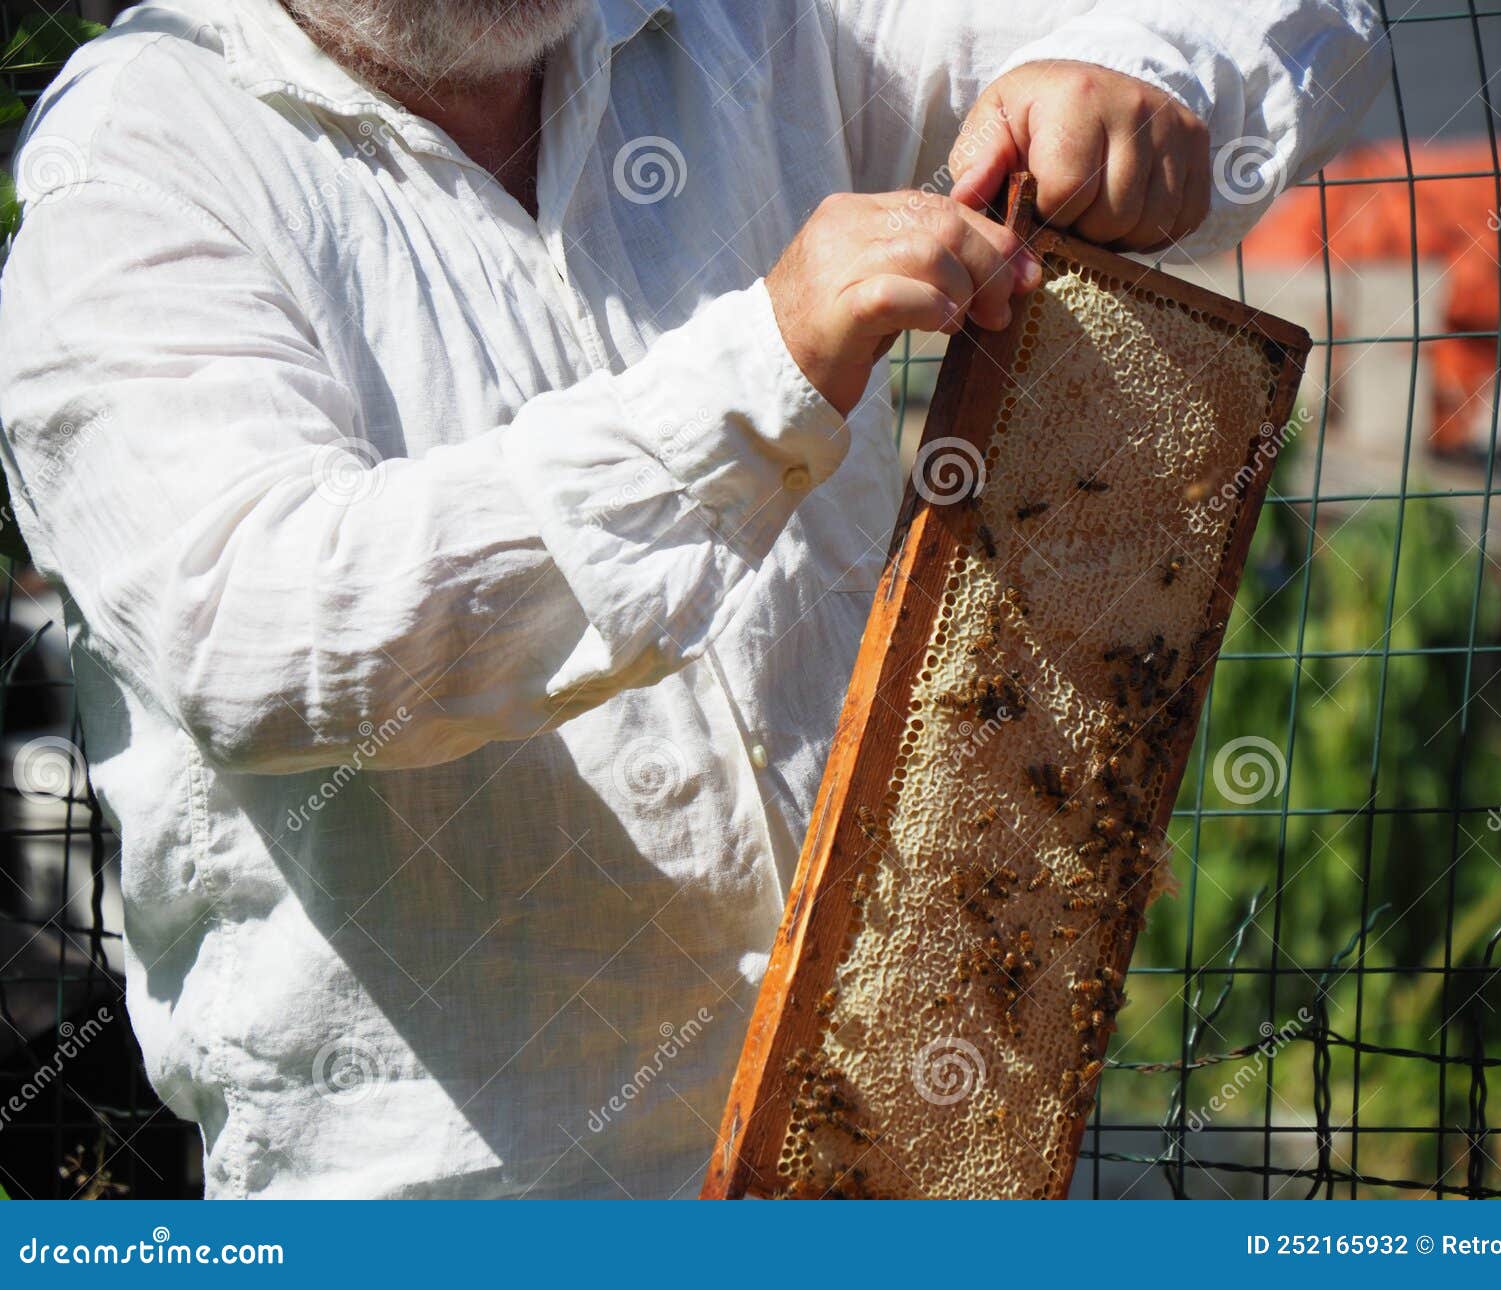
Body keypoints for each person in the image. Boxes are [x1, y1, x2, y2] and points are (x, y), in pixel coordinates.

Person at [0, 0, 1388, 1197]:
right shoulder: (137, 160)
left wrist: (1140, 76)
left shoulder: (750, 26)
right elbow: (263, 625)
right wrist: (757, 372)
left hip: (922, 1153)